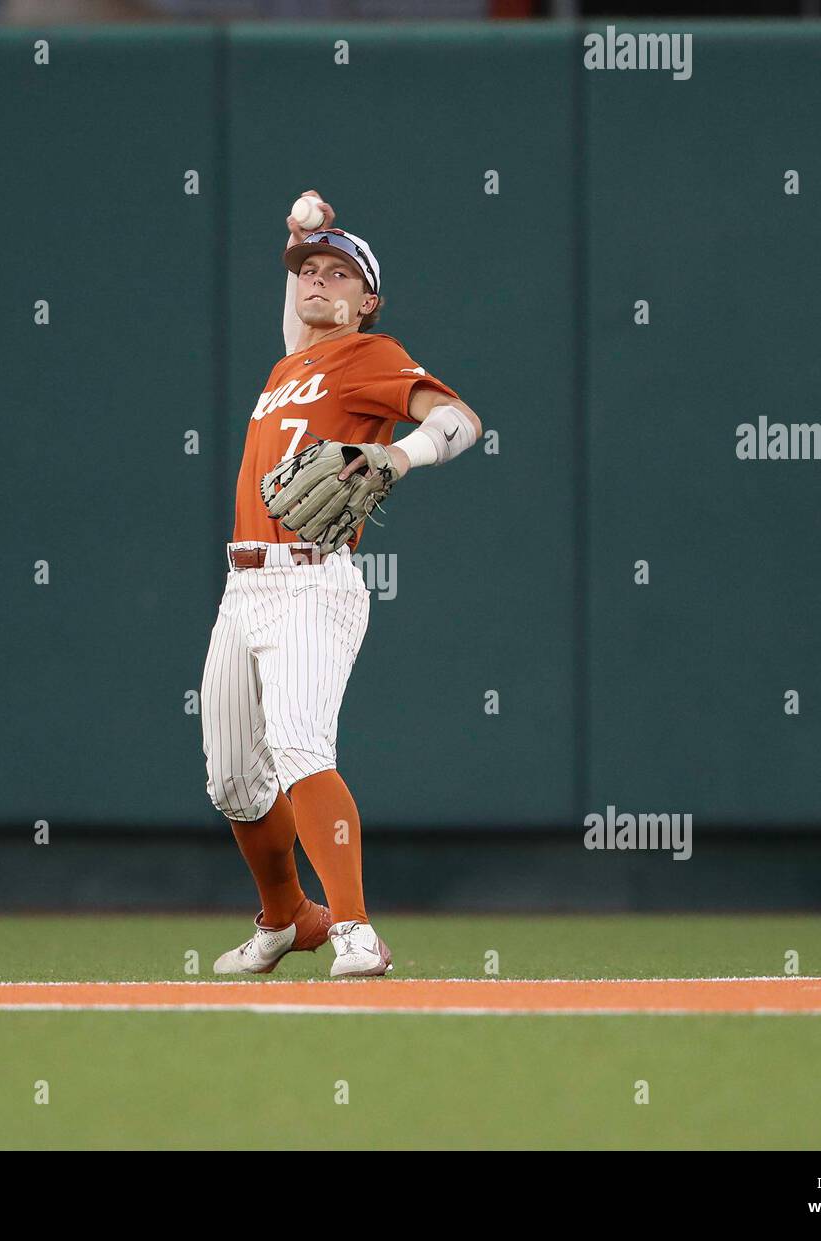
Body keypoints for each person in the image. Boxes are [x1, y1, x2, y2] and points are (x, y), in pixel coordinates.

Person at [202, 189, 482, 977]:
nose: (316, 281)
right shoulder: (292, 363)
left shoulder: (370, 354)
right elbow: (299, 321)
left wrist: (396, 454)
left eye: (337, 274)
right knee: (233, 781)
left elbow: (460, 420)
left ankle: (356, 929)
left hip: (310, 582)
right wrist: (300, 235)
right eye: (307, 272)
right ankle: (288, 918)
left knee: (299, 745)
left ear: (368, 301)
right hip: (243, 587)